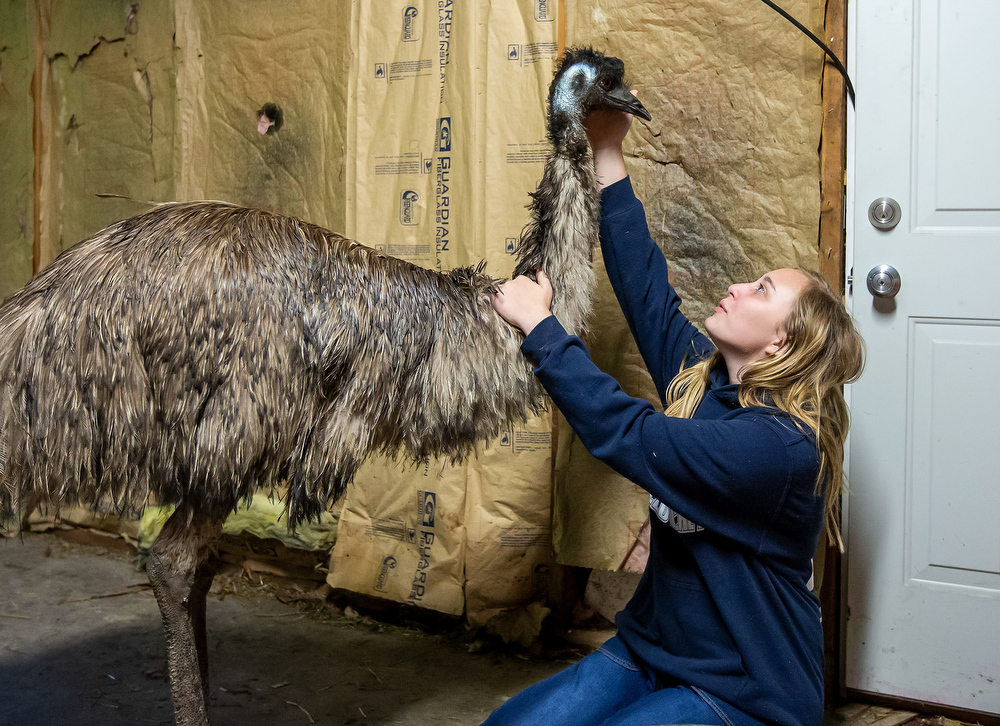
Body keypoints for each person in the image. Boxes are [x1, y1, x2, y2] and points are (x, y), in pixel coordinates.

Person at [485, 96, 865, 726]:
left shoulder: (780, 449)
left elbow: (627, 433)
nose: (740, 285)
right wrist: (609, 149)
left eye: (762, 290)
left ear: (781, 343)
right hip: (651, 650)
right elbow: (646, 290)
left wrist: (540, 327)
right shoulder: (702, 381)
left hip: (745, 695)